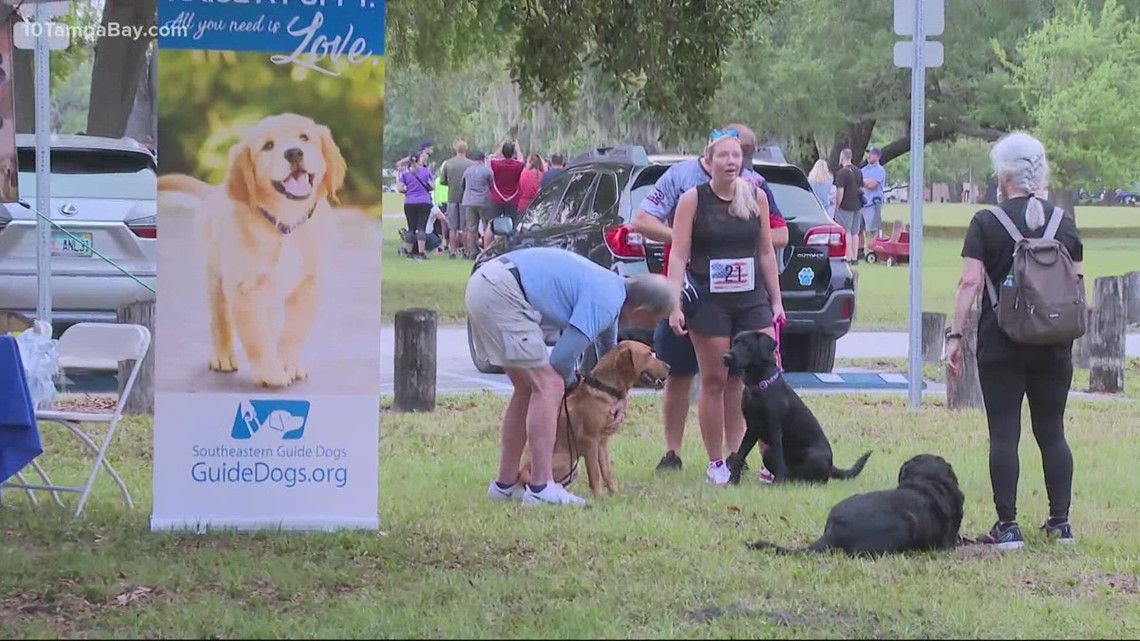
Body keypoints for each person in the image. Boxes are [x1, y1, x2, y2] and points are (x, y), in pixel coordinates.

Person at [630, 122, 787, 483]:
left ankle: (767, 460)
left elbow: (765, 251)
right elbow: (679, 256)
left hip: (751, 300)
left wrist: (776, 301)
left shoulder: (756, 195)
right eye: (724, 155)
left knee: (762, 378)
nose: (732, 161)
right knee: (715, 380)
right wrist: (674, 305)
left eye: (737, 155)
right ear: (709, 159)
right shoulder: (692, 198)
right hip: (709, 301)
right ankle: (716, 462)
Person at [947, 131, 1080, 549]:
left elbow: (970, 282)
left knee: (1004, 432)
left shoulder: (987, 222)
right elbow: (1076, 282)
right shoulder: (1064, 222)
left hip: (1001, 342)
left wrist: (955, 335)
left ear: (1004, 175)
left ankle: (1008, 527)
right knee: (1052, 431)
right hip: (1054, 342)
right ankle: (1060, 524)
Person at [467, 247, 677, 505]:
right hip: (503, 292)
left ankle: (505, 485)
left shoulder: (611, 290)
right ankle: (541, 488)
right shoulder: (605, 300)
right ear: (642, 312)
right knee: (550, 384)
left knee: (527, 389)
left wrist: (618, 397)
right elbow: (562, 360)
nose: (654, 326)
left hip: (487, 282)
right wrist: (575, 385)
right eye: (656, 320)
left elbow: (607, 355)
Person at [396, 150, 434, 260]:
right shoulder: (426, 172)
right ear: (419, 160)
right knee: (421, 228)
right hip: (424, 202)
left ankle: (409, 252)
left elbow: (400, 188)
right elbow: (432, 186)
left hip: (410, 202)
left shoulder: (405, 174)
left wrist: (408, 191)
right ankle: (421, 253)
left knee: (411, 228)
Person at [440, 140, 475, 259]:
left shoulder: (448, 164)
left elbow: (442, 181)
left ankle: (452, 251)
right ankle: (466, 251)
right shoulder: (471, 164)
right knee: (465, 228)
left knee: (452, 227)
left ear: (455, 149)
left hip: (452, 197)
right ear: (466, 149)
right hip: (466, 198)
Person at [832, 148, 864, 263]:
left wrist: (837, 205)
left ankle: (848, 256)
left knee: (847, 231)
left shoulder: (842, 173)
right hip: (857, 204)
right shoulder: (858, 171)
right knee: (855, 232)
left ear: (842, 157)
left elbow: (840, 191)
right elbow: (860, 187)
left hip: (846, 205)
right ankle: (855, 257)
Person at [461, 151, 494, 258]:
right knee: (486, 226)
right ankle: (486, 250)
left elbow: (463, 185)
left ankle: (471, 252)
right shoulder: (487, 171)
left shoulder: (467, 171)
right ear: (483, 159)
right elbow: (491, 186)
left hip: (469, 201)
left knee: (471, 228)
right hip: (483, 201)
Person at [489, 139, 525, 225]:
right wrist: (518, 148)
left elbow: (492, 157)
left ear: (502, 152)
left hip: (496, 198)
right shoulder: (518, 166)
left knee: (492, 224)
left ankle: (489, 239)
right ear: (513, 153)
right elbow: (521, 159)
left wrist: (501, 147)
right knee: (511, 224)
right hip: (512, 199)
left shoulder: (496, 164)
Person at [859, 146, 887, 248]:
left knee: (874, 229)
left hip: (873, 204)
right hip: (862, 203)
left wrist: (863, 182)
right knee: (859, 229)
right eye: (868, 153)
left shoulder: (880, 170)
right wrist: (865, 182)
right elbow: (858, 182)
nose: (869, 156)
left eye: (871, 154)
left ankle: (876, 249)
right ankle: (861, 250)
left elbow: (872, 185)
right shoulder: (863, 170)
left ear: (878, 156)